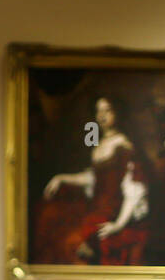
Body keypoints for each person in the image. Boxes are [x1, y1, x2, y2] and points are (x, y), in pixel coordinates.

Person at [34, 96, 151, 265]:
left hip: (114, 210)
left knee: (75, 243)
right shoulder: (99, 145)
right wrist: (61, 178)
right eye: (99, 110)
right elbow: (94, 178)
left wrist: (118, 224)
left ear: (118, 113)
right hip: (98, 207)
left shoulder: (124, 146)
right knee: (50, 216)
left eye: (108, 110)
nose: (102, 116)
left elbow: (134, 188)